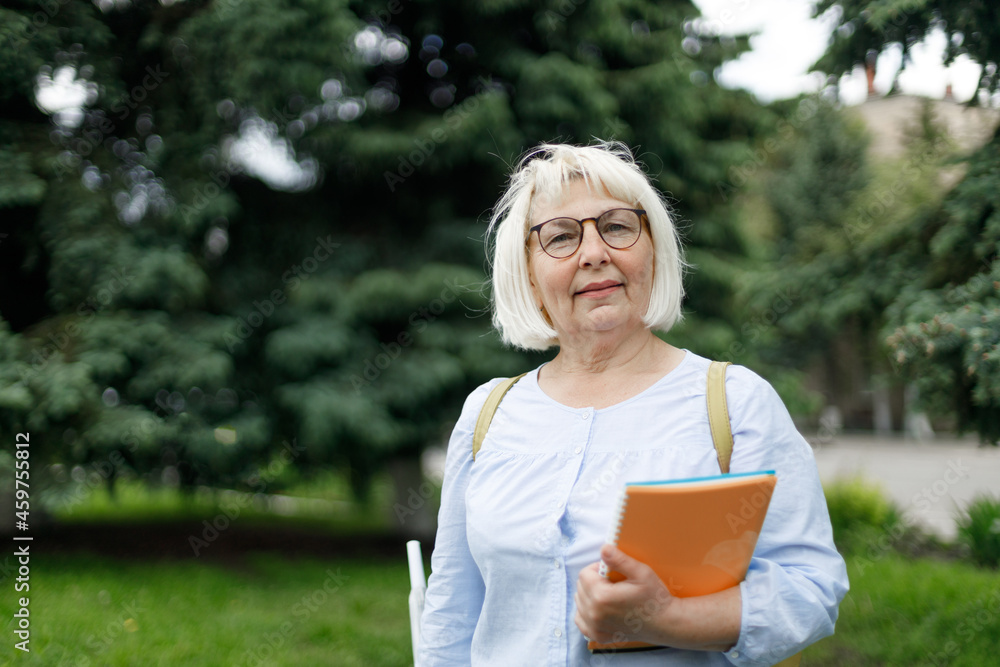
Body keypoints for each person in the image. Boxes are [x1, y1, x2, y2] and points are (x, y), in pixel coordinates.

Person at [418, 141, 848, 666]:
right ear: (528, 273)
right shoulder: (488, 413)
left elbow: (812, 591)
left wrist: (668, 618)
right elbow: (452, 611)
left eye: (618, 227)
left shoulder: (734, 404)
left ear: (652, 249)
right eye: (560, 237)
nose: (595, 252)